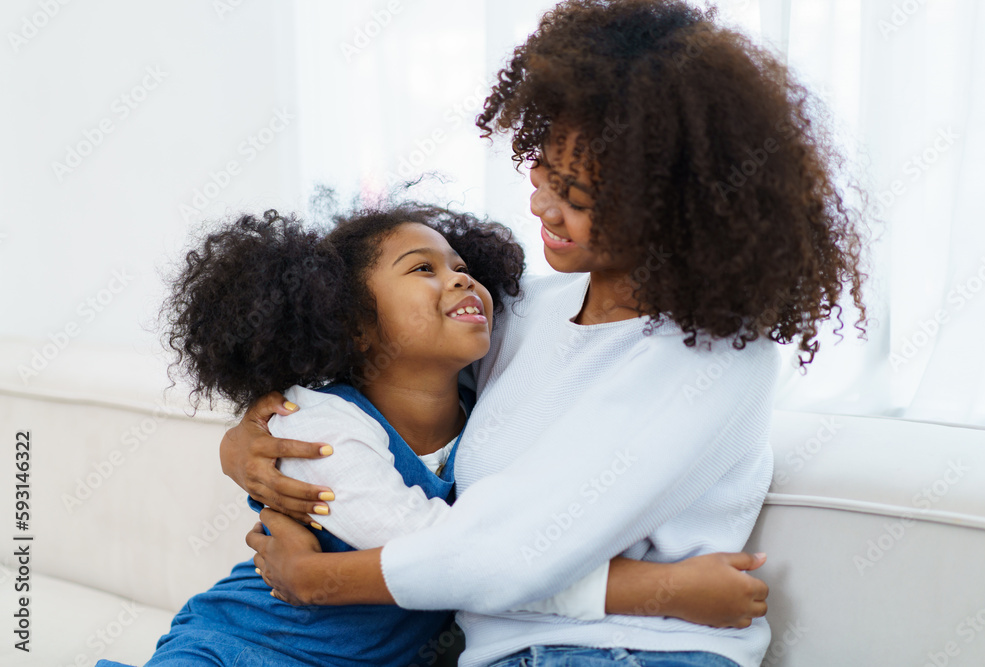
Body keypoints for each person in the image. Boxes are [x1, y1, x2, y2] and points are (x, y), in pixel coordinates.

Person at [228, 1, 871, 666]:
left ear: (674, 216)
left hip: (635, 654)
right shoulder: (524, 312)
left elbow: (509, 553)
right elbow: (376, 364)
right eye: (543, 173)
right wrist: (249, 432)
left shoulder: (715, 361)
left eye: (577, 198)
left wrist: (316, 580)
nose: (541, 204)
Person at [98, 202, 766, 667]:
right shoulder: (323, 433)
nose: (459, 278)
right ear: (350, 321)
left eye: (457, 264)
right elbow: (454, 560)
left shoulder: (483, 403)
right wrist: (659, 589)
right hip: (249, 644)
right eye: (424, 269)